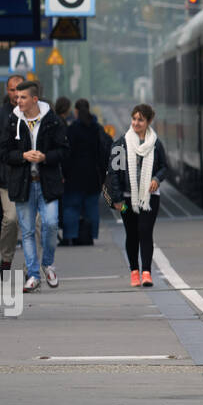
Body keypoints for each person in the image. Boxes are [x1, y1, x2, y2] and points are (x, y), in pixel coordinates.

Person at [0, 80, 69, 292]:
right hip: (23, 184)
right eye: (17, 97)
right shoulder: (13, 121)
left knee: (50, 224)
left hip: (46, 183)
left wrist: (45, 157)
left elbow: (65, 150)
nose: (17, 101)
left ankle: (47, 263)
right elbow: (4, 153)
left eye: (22, 97)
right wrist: (23, 156)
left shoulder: (53, 121)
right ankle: (33, 275)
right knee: (27, 232)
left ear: (34, 99)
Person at [105, 103, 167, 288]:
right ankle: (134, 272)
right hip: (125, 199)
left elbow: (164, 167)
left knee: (145, 232)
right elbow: (113, 172)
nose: (136, 123)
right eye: (134, 119)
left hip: (150, 198)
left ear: (148, 121)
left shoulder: (155, 144)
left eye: (140, 119)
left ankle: (146, 272)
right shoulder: (121, 143)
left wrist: (157, 178)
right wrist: (116, 199)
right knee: (131, 234)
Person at [0, 75, 40, 276]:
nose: (16, 93)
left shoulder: (37, 114)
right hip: (6, 179)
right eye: (11, 89)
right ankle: (6, 257)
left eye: (19, 89)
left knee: (34, 224)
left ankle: (30, 269)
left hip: (32, 179)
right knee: (11, 219)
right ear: (7, 92)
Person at [61, 99, 108, 246]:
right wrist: (103, 174)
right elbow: (103, 152)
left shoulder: (72, 129)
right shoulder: (96, 128)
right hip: (93, 175)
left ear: (75, 112)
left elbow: (66, 154)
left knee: (71, 207)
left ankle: (70, 235)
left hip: (74, 176)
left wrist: (64, 173)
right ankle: (90, 235)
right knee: (92, 207)